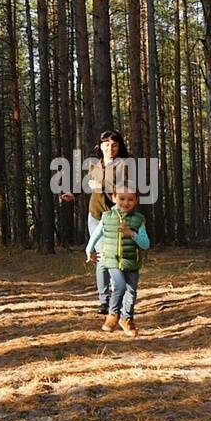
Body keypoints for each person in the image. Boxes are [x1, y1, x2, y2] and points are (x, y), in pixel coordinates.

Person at [63, 130, 130, 314]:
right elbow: (87, 182)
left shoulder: (124, 165)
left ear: (119, 146)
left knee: (115, 257)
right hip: (95, 215)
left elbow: (125, 192)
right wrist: (73, 193)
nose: (111, 148)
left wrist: (104, 187)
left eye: (114, 145)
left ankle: (119, 295)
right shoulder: (95, 165)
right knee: (101, 256)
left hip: (115, 216)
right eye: (107, 145)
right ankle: (104, 301)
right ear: (100, 146)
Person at [85, 184, 149, 336]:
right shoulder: (107, 217)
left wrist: (131, 233)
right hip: (112, 259)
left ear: (136, 201)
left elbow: (145, 244)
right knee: (119, 286)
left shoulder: (138, 220)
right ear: (113, 198)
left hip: (131, 261)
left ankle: (126, 319)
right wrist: (89, 250)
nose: (126, 202)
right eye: (121, 198)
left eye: (130, 199)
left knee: (131, 292)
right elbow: (96, 235)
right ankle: (113, 315)